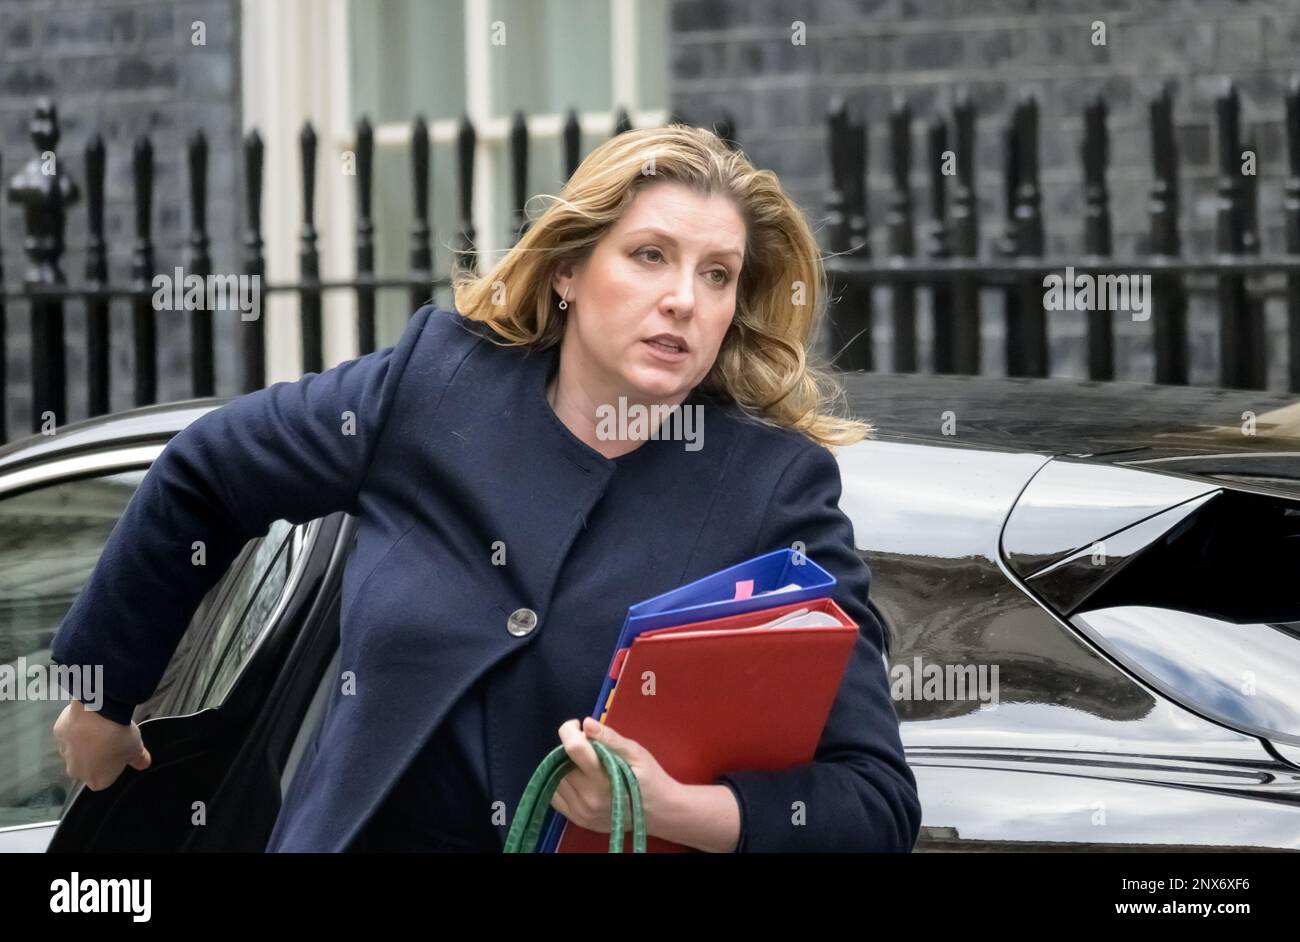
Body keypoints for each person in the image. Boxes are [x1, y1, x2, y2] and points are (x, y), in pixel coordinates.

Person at [50, 123, 921, 853]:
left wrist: (672, 809)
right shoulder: (432, 390)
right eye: (650, 256)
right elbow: (205, 470)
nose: (684, 300)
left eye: (718, 274)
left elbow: (873, 802)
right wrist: (107, 692)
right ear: (568, 273)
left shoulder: (772, 487)